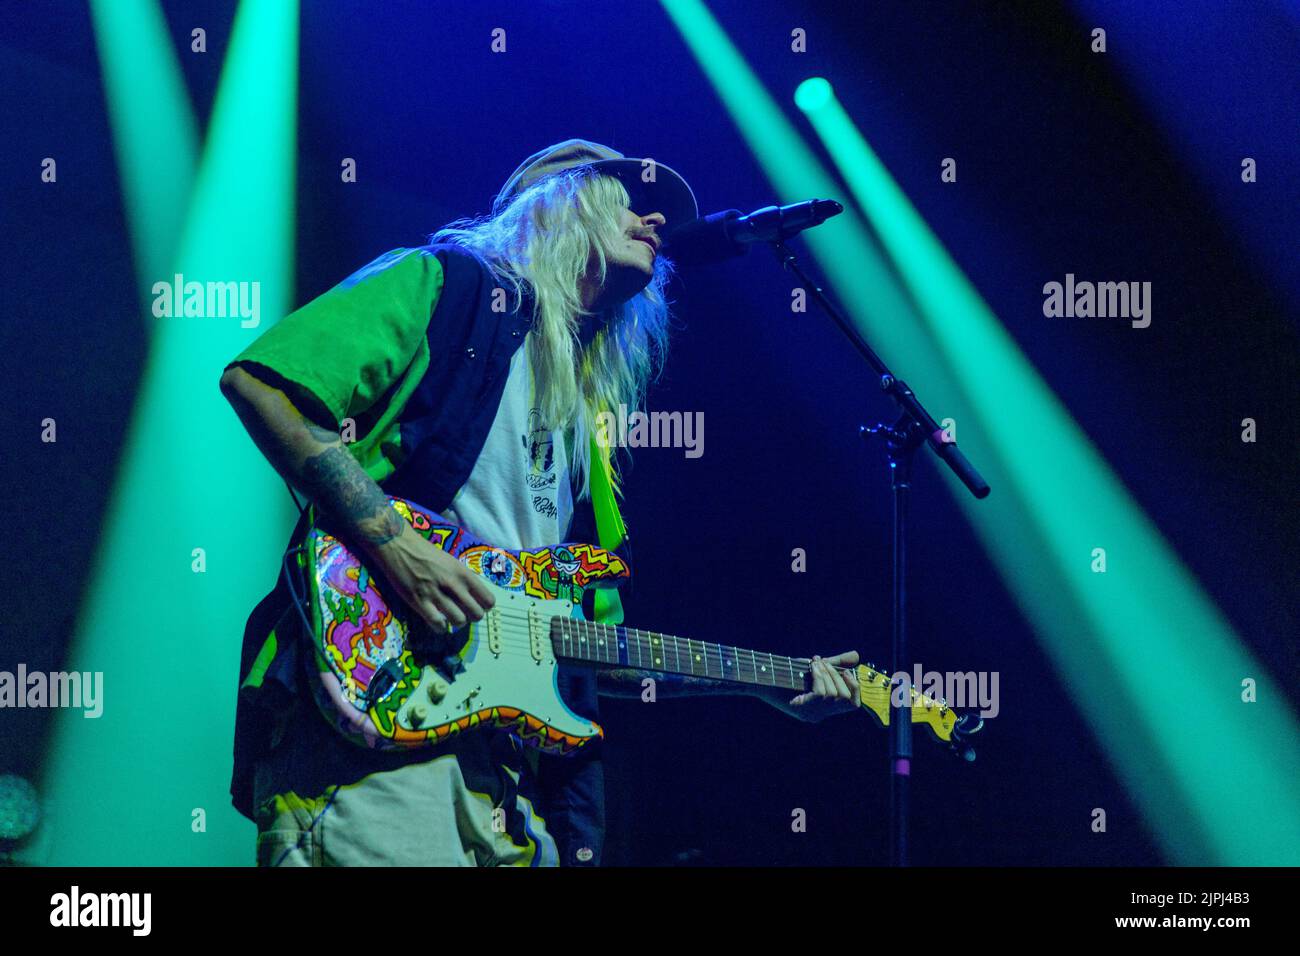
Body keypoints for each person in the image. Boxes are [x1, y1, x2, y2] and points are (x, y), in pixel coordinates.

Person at [220, 139, 862, 867]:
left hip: (505, 773)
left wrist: (766, 684)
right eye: (631, 197)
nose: (656, 219)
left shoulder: (587, 421)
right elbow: (260, 383)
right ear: (560, 203)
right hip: (368, 718)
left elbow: (596, 651)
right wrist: (397, 546)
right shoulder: (446, 284)